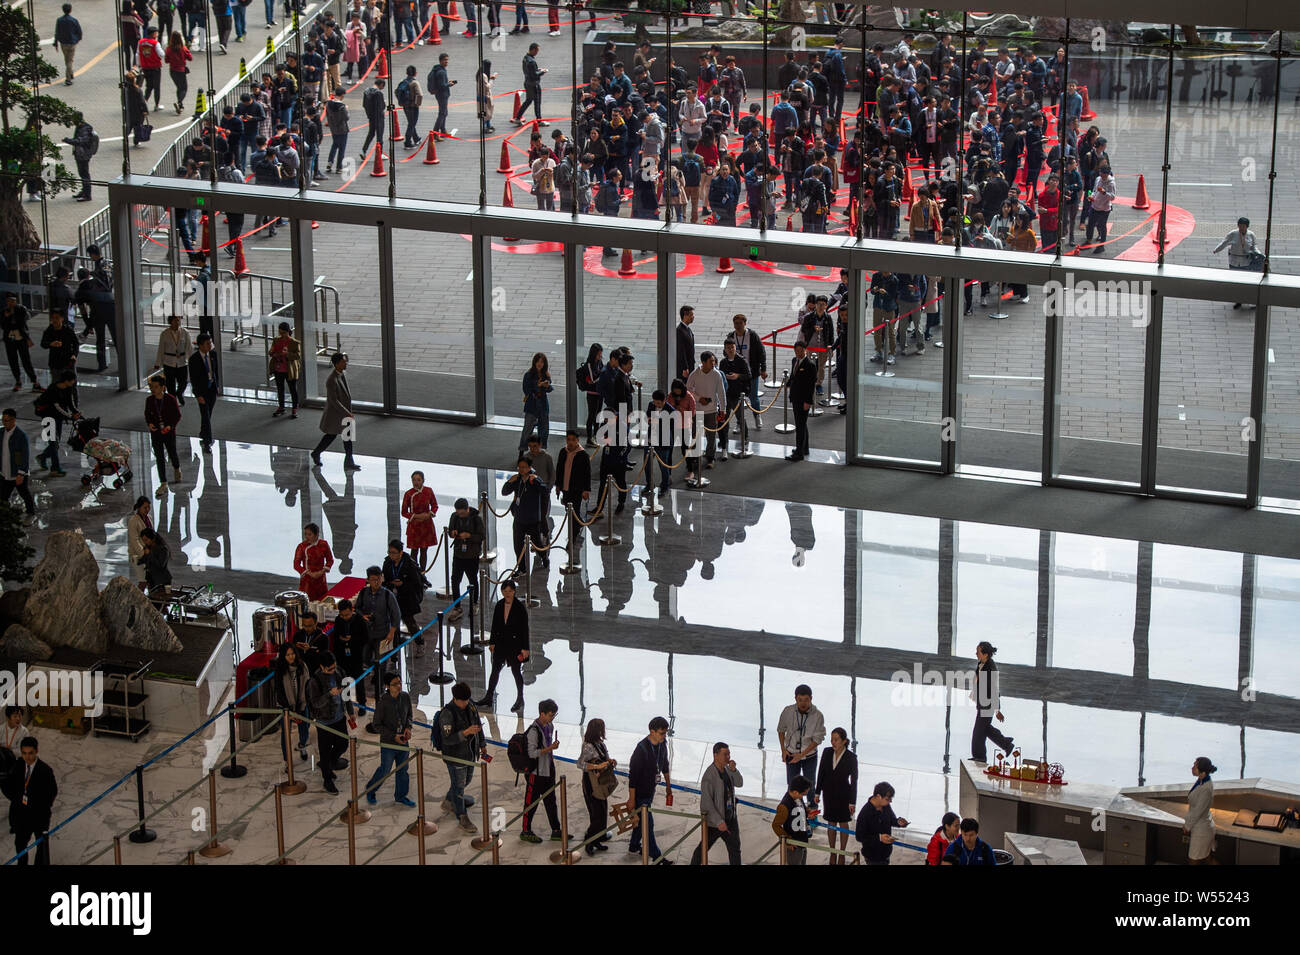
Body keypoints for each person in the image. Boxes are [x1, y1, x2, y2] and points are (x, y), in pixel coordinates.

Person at [364, 672, 416, 807]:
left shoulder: (405, 697)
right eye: (395, 684)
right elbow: (377, 725)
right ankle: (371, 789)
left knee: (403, 769)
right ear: (387, 686)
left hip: (403, 741)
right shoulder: (383, 703)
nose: (399, 686)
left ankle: (401, 796)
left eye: (399, 683)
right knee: (385, 770)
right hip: (389, 743)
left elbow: (409, 715)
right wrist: (393, 736)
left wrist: (408, 727)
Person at [436, 682, 482, 833]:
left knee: (465, 781)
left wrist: (482, 744)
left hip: (469, 754)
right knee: (459, 787)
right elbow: (447, 739)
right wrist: (465, 732)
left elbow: (478, 726)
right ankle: (462, 816)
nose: (466, 703)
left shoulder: (471, 706)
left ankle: (449, 801)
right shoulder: (447, 714)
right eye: (463, 701)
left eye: (467, 700)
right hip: (455, 757)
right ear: (455, 698)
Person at [2, 737, 56, 865]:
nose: (27, 757)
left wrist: (40, 806)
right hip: (22, 815)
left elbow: (52, 792)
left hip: (39, 816)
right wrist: (17, 800)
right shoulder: (17, 765)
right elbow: (9, 785)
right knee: (20, 845)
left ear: (36, 751)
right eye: (24, 753)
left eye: (30, 753)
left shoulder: (45, 770)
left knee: (41, 847)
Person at [476, 579, 528, 713]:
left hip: (515, 645)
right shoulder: (499, 605)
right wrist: (492, 642)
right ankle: (489, 696)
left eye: (510, 591)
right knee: (495, 671)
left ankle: (520, 698)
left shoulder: (520, 607)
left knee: (516, 672)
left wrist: (525, 648)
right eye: (505, 591)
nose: (507, 594)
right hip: (501, 644)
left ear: (514, 591)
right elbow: (495, 625)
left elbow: (524, 629)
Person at [627, 715, 673, 864]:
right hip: (640, 794)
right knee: (648, 824)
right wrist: (631, 799)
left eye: (665, 733)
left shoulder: (662, 744)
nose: (664, 736)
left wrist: (668, 787)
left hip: (650, 790)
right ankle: (657, 857)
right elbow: (633, 777)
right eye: (661, 733)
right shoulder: (641, 750)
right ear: (652, 731)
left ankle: (634, 846)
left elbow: (665, 765)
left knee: (641, 821)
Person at [690, 741, 744, 865]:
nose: (728, 757)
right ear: (715, 755)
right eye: (725, 754)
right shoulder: (709, 776)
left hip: (730, 819)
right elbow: (706, 802)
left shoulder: (728, 770)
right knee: (702, 849)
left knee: (735, 849)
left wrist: (734, 770)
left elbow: (739, 783)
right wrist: (718, 821)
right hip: (715, 823)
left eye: (729, 754)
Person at [519, 699, 564, 843]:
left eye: (554, 715)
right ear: (542, 713)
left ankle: (556, 830)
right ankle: (525, 831)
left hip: (548, 769)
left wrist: (551, 752)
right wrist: (550, 748)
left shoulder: (550, 726)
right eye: (551, 715)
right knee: (531, 803)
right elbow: (532, 753)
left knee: (551, 801)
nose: (552, 718)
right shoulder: (533, 731)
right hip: (536, 773)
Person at [306, 651, 350, 794]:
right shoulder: (314, 681)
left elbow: (346, 693)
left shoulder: (339, 672)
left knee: (343, 744)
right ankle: (327, 778)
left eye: (334, 667)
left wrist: (350, 712)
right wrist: (329, 694)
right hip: (324, 721)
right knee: (324, 750)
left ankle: (328, 764)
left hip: (339, 717)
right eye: (330, 669)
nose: (333, 670)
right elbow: (316, 703)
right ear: (322, 667)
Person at [777, 684, 825, 814]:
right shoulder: (788, 711)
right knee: (792, 784)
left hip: (809, 755)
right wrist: (783, 750)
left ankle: (812, 810)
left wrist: (802, 754)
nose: (803, 703)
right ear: (795, 699)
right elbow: (781, 730)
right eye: (800, 700)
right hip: (791, 754)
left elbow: (818, 739)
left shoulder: (817, 715)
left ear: (811, 699)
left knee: (810, 784)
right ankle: (795, 809)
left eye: (806, 700)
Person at [815, 727, 857, 865]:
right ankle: (832, 851)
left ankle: (842, 852)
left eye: (836, 740)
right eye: (832, 739)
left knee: (843, 822)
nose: (833, 742)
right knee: (831, 822)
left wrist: (852, 802)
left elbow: (854, 781)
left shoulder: (851, 757)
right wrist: (817, 792)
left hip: (844, 794)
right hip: (828, 793)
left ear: (844, 741)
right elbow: (821, 773)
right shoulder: (827, 752)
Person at [502, 455, 548, 577]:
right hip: (519, 519)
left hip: (532, 519)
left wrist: (537, 482)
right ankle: (522, 568)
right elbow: (504, 492)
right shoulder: (516, 479)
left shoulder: (535, 479)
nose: (521, 470)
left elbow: (545, 492)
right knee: (518, 545)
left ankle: (544, 556)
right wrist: (509, 482)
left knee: (537, 542)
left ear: (529, 467)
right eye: (520, 467)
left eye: (524, 467)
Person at [311, 352, 359, 470]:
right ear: (337, 364)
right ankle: (316, 453)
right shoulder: (331, 380)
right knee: (331, 436)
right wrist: (347, 413)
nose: (345, 363)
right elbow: (333, 400)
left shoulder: (340, 374)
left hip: (342, 413)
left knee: (346, 437)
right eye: (343, 362)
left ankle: (349, 461)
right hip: (337, 414)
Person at [971, 640, 1015, 762]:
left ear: (985, 654)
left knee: (978, 733)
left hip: (988, 705)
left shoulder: (990, 668)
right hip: (983, 703)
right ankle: (1006, 744)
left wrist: (997, 710)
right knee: (984, 729)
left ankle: (980, 757)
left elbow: (994, 690)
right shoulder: (982, 663)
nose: (976, 653)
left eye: (978, 652)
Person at [578, 718, 615, 854]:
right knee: (596, 814)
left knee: (602, 812)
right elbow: (580, 764)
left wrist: (610, 761)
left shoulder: (600, 744)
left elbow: (604, 758)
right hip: (591, 784)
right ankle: (589, 840)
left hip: (601, 783)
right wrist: (597, 766)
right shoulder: (588, 746)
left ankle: (597, 839)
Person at [383, 539, 426, 657]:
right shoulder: (387, 563)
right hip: (393, 596)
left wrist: (403, 584)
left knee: (409, 621)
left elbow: (416, 583)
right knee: (392, 621)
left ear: (400, 552)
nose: (391, 555)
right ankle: (393, 647)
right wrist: (390, 583)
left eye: (394, 553)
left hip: (407, 597)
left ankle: (420, 643)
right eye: (389, 552)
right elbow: (384, 578)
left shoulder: (409, 564)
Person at [273, 642, 312, 763]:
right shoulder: (280, 670)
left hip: (302, 703)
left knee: (304, 728)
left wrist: (301, 705)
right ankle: (287, 760)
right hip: (285, 707)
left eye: (292, 653)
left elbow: (307, 686)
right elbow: (279, 691)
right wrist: (288, 710)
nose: (291, 657)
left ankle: (302, 745)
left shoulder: (302, 666)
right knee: (285, 734)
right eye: (288, 655)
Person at [446, 497, 483, 621]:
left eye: (462, 513)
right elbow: (450, 531)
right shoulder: (454, 516)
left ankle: (474, 603)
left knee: (473, 579)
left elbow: (482, 536)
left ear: (467, 509)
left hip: (472, 555)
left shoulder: (476, 519)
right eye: (458, 513)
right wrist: (452, 533)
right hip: (458, 554)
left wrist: (469, 536)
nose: (460, 515)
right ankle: (457, 607)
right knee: (455, 580)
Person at [855, 781, 909, 865]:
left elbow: (891, 819)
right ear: (878, 796)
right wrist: (879, 838)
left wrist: (898, 822)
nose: (890, 801)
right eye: (887, 799)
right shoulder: (865, 813)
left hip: (885, 853)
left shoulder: (885, 806)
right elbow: (859, 836)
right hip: (873, 856)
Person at [144, 375, 182, 494]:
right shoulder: (150, 400)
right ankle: (163, 483)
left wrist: (170, 426)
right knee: (159, 457)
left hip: (168, 432)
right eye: (152, 387)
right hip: (156, 433)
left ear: (162, 387)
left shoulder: (170, 399)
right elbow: (147, 414)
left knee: (172, 453)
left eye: (156, 387)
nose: (153, 389)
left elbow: (177, 415)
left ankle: (177, 468)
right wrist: (150, 423)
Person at [1213, 218, 1261, 309]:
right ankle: (1238, 300)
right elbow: (1224, 243)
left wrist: (1258, 253)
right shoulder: (1233, 234)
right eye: (1240, 225)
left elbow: (1255, 246)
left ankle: (1250, 300)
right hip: (1234, 261)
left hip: (1246, 262)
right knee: (1236, 283)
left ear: (1247, 226)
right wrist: (1217, 250)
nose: (1241, 227)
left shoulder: (1251, 235)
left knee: (1246, 283)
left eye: (1243, 226)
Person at [0, 409, 35, 520]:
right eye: (3, 420)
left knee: (24, 493)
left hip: (17, 473)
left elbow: (24, 456)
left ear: (14, 420)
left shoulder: (21, 436)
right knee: (3, 496)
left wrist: (21, 473)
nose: (4, 423)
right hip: (4, 472)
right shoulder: (1, 432)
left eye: (6, 420)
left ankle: (31, 513)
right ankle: (4, 515)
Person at [187, 332, 219, 452]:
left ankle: (203, 432)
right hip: (202, 391)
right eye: (207, 343)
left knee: (208, 414)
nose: (210, 345)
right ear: (200, 345)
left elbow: (215, 371)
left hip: (212, 389)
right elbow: (194, 379)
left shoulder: (213, 354)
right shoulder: (194, 359)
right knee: (205, 415)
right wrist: (198, 395)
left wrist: (217, 385)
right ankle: (207, 442)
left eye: (210, 343)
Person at [1, 293, 39, 394]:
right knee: (13, 360)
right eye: (9, 301)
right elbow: (3, 326)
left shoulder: (21, 309)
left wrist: (27, 339)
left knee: (26, 360)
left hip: (21, 337)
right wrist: (6, 317)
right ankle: (18, 381)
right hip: (10, 338)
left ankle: (34, 381)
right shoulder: (4, 311)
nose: (11, 303)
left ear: (16, 301)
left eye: (13, 301)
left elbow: (21, 323)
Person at [786, 340, 817, 462]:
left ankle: (799, 453)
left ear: (805, 350)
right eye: (796, 351)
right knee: (802, 424)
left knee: (800, 426)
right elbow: (793, 375)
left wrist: (808, 402)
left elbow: (811, 386)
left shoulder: (810, 365)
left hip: (803, 400)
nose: (798, 353)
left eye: (801, 351)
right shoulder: (795, 360)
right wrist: (788, 383)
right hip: (795, 397)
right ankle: (804, 448)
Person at [772, 775, 812, 864]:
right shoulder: (784, 806)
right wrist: (787, 841)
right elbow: (776, 825)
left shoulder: (797, 798)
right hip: (793, 845)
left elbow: (800, 809)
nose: (803, 797)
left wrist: (807, 813)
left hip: (802, 841)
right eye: (803, 794)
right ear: (795, 792)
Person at [1185, 756, 1217, 864]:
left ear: (1202, 772)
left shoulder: (1206, 788)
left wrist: (1187, 826)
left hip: (1202, 831)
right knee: (1207, 859)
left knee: (1193, 860)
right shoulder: (1201, 780)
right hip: (1202, 826)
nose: (1192, 768)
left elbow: (1198, 811)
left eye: (1195, 766)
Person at [153, 314, 191, 403]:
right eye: (175, 321)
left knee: (183, 382)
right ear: (170, 322)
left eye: (178, 320)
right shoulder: (165, 333)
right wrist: (158, 363)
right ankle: (173, 400)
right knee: (170, 384)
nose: (177, 322)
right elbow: (161, 349)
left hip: (182, 361)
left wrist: (190, 360)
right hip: (169, 362)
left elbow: (189, 347)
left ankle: (179, 393)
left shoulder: (185, 332)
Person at [519, 352, 552, 452]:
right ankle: (523, 449)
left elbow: (549, 389)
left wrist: (547, 385)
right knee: (528, 429)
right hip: (532, 405)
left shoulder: (546, 375)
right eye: (538, 361)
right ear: (534, 362)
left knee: (544, 429)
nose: (539, 364)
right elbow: (526, 390)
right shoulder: (528, 375)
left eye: (542, 362)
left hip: (543, 405)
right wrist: (538, 386)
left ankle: (542, 449)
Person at [267, 321, 301, 417]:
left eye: (283, 333)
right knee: (280, 389)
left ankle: (294, 408)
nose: (282, 335)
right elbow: (271, 351)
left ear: (288, 332)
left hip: (289, 369)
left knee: (292, 389)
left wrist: (287, 354)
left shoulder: (294, 342)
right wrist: (272, 353)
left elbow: (298, 356)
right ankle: (281, 407)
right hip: (278, 368)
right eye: (280, 332)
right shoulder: (276, 340)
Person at [293, 522, 334, 601]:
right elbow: (296, 564)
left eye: (309, 534)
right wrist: (310, 573)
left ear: (317, 534)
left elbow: (330, 560)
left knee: (322, 601)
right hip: (307, 580)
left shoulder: (323, 544)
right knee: (308, 601)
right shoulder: (301, 547)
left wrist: (322, 571)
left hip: (321, 579)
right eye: (305, 534)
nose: (307, 537)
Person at [512, 43, 546, 126]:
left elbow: (530, 71)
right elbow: (534, 75)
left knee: (528, 101)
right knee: (537, 102)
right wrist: (542, 72)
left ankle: (518, 118)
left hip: (527, 82)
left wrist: (537, 70)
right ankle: (539, 120)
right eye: (537, 50)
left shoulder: (526, 58)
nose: (537, 52)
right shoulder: (532, 61)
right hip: (534, 84)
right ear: (533, 50)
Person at [53, 4, 82, 85]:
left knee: (67, 59)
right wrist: (77, 40)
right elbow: (79, 31)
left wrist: (56, 42)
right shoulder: (74, 20)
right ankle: (68, 78)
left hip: (63, 43)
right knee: (69, 61)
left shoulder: (59, 20)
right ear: (70, 10)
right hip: (72, 43)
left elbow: (57, 32)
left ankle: (69, 74)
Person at [428, 53, 454, 139]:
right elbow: (442, 85)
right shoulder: (441, 72)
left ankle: (443, 130)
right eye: (445, 60)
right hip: (442, 94)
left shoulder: (438, 69)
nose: (446, 61)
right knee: (442, 113)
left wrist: (447, 82)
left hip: (439, 94)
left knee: (444, 113)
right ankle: (435, 132)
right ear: (440, 61)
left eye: (447, 60)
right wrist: (449, 84)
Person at [675, 305, 695, 381]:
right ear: (685, 316)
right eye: (691, 315)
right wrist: (685, 367)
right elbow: (681, 350)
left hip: (690, 364)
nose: (693, 317)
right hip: (685, 368)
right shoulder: (679, 331)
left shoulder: (687, 329)